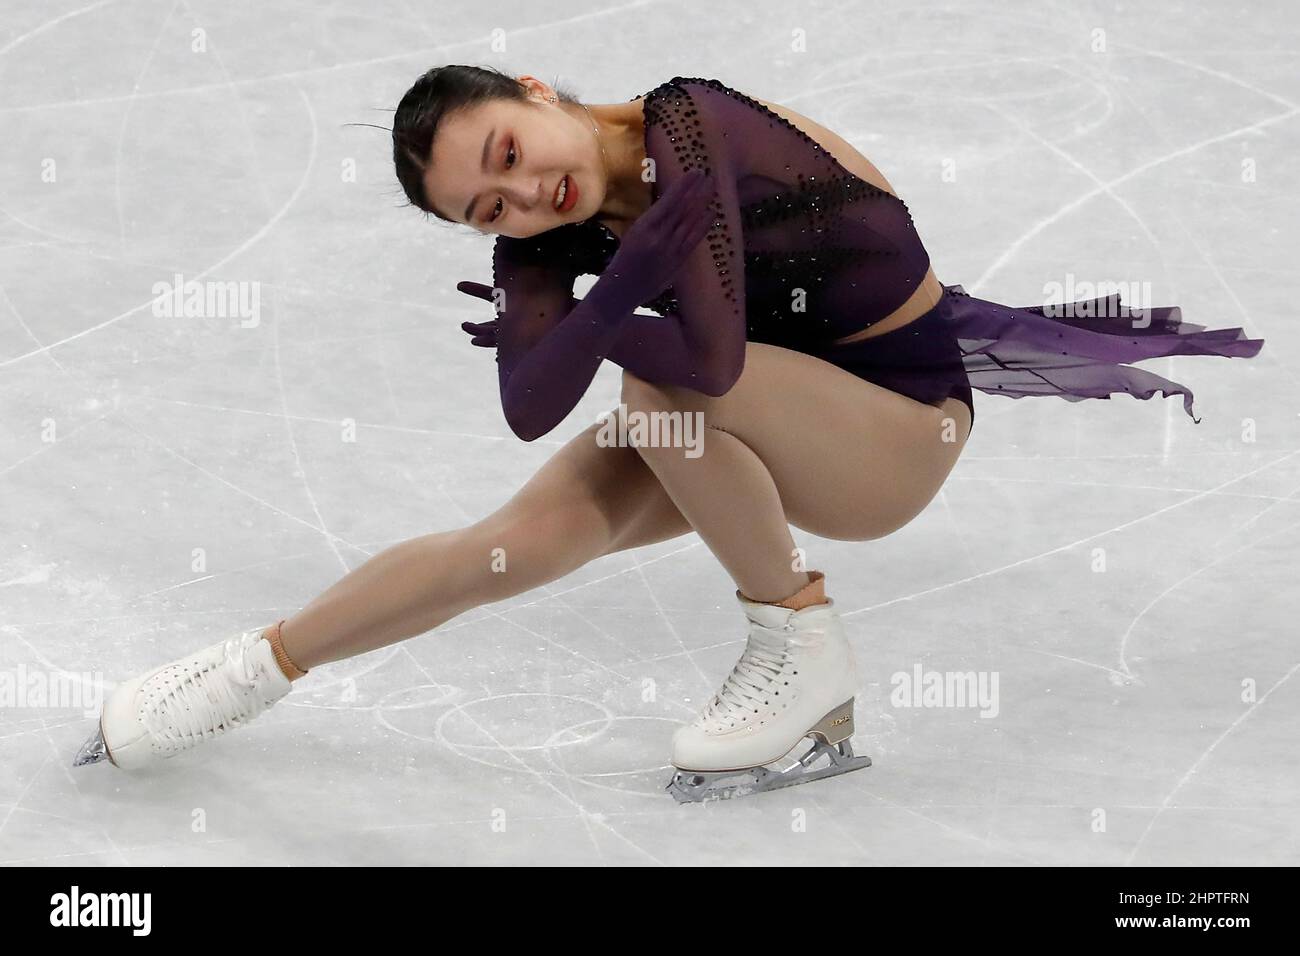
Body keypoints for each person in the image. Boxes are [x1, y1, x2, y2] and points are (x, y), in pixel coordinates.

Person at [76, 67, 1264, 802]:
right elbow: (529, 403)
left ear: (535, 94)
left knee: (658, 396)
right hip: (749, 419)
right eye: (484, 209)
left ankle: (794, 639)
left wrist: (606, 308)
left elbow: (701, 363)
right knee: (521, 541)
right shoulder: (546, 242)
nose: (521, 199)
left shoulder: (691, 125)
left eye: (506, 156)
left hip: (897, 426)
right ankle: (251, 669)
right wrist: (614, 286)